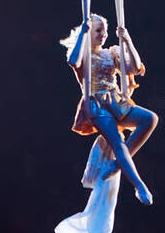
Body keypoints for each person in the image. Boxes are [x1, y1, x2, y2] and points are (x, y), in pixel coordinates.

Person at [60, 14, 157, 204]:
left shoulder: (111, 52)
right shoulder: (83, 54)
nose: (103, 34)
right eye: (98, 30)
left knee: (150, 119)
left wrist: (127, 41)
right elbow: (73, 62)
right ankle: (139, 185)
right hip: (96, 104)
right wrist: (83, 34)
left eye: (104, 30)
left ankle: (116, 165)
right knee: (117, 143)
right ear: (89, 32)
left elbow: (135, 68)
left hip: (116, 101)